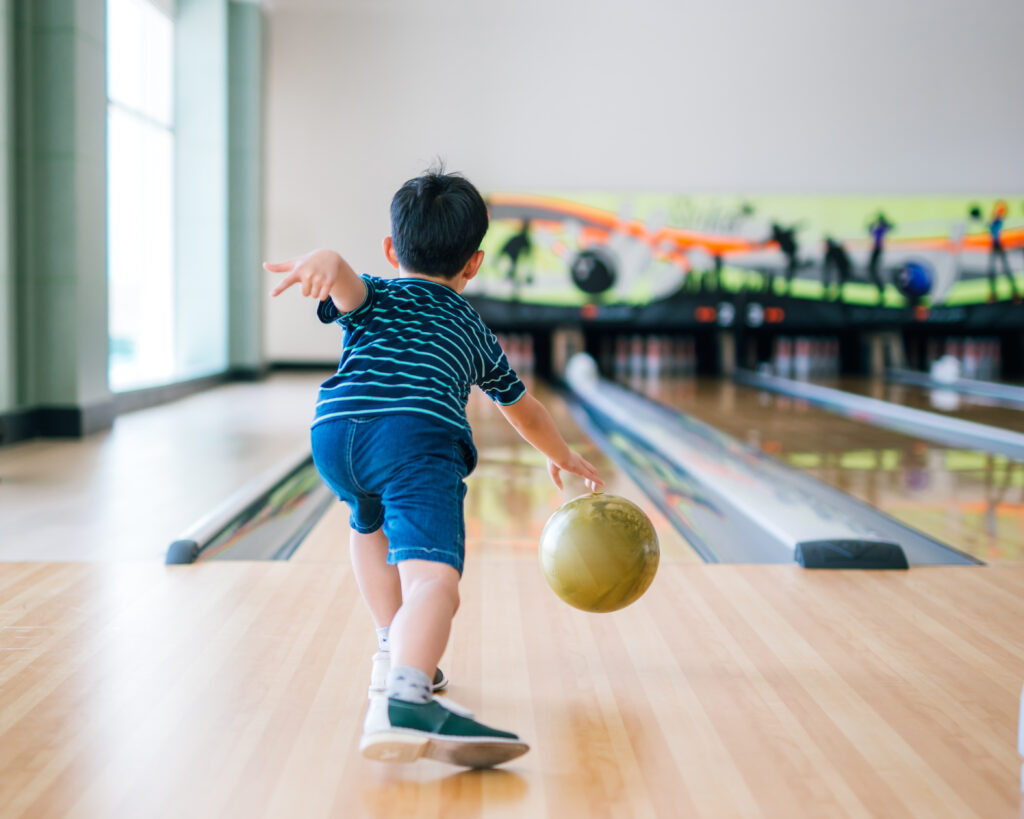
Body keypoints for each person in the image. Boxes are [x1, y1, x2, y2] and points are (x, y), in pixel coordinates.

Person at [265, 168, 603, 768]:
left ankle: (392, 650)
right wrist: (563, 456)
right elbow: (523, 409)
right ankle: (407, 699)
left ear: (392, 250)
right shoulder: (472, 328)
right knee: (434, 582)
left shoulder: (376, 294)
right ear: (474, 264)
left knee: (367, 521)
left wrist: (326, 261)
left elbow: (341, 280)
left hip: (335, 434)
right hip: (415, 438)